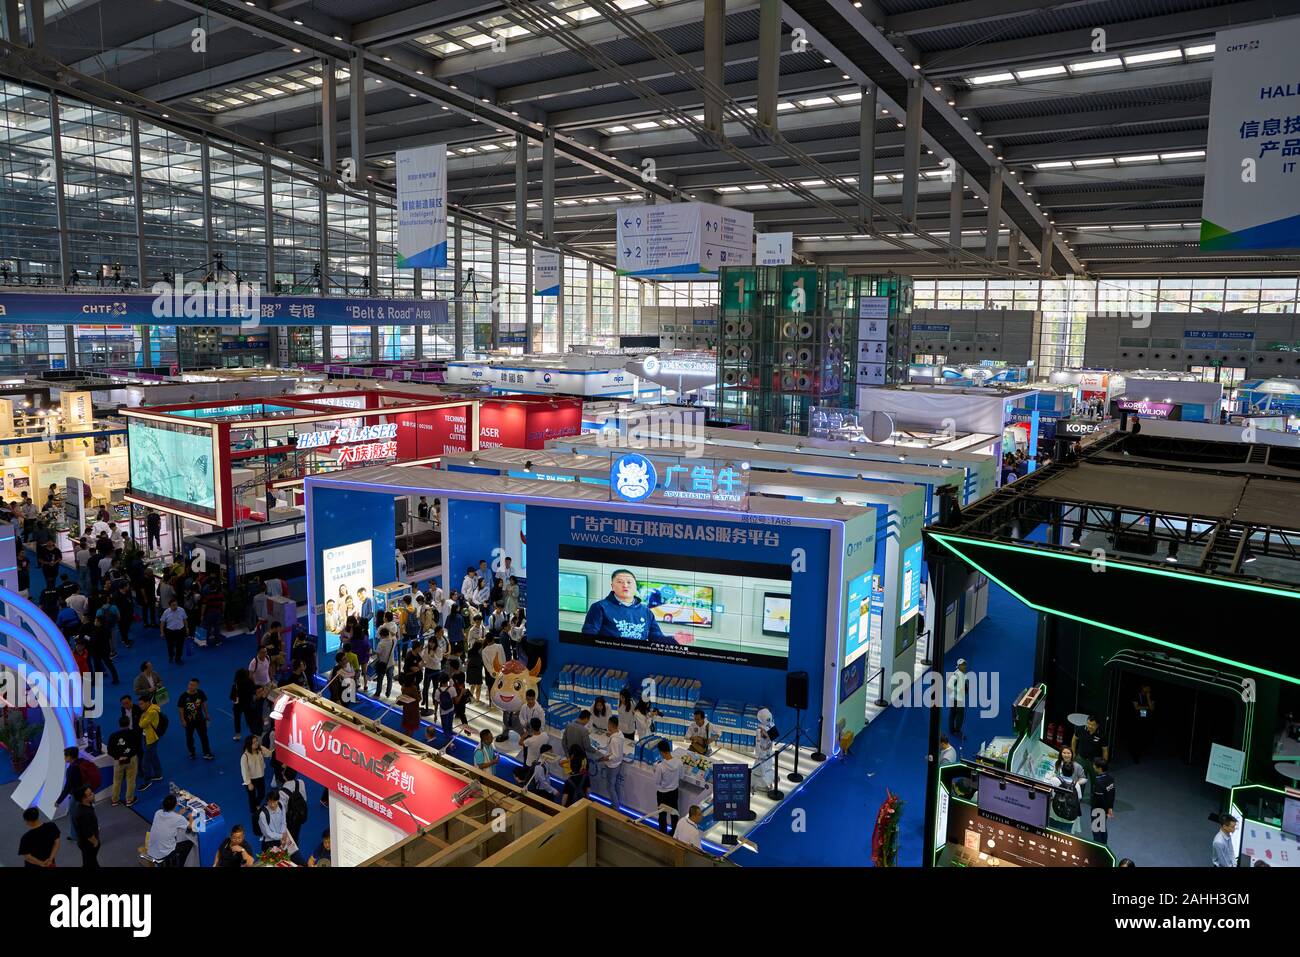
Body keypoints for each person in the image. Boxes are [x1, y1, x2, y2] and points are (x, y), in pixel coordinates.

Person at [581, 569, 686, 646]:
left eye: (629, 582)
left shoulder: (646, 611)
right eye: (620, 582)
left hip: (638, 657)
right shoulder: (599, 607)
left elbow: (655, 637)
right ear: (612, 586)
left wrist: (674, 639)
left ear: (635, 587)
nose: (625, 585)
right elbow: (588, 637)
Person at [147, 794, 195, 867]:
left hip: (151, 850)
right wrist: (191, 817)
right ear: (175, 805)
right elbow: (191, 827)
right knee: (189, 843)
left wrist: (179, 814)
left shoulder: (158, 812)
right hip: (163, 853)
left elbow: (171, 819)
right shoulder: (178, 818)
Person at [1049, 746, 1086, 835]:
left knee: (1052, 832)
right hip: (1069, 814)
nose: (1066, 755)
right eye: (1064, 753)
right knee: (1065, 835)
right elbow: (1079, 798)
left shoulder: (1054, 780)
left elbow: (1050, 793)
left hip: (1055, 810)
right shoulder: (1076, 785)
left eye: (1068, 753)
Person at [175, 677, 214, 760]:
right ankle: (191, 752)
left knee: (204, 736)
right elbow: (180, 709)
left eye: (192, 685)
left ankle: (206, 752)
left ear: (197, 686)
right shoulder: (183, 696)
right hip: (188, 721)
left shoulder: (200, 693)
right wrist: (182, 720)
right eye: (189, 684)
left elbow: (204, 704)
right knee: (189, 737)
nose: (190, 686)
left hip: (200, 719)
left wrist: (207, 714)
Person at [107, 715, 140, 807]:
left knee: (117, 780)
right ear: (129, 723)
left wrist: (118, 757)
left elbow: (110, 750)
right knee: (131, 780)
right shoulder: (134, 733)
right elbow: (137, 748)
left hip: (118, 761)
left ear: (119, 724)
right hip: (131, 760)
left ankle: (115, 800)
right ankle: (129, 800)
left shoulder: (113, 736)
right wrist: (128, 755)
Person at [654, 739, 683, 835]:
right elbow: (681, 776)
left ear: (661, 752)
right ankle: (675, 833)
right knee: (674, 814)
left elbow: (657, 781)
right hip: (674, 791)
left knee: (662, 815)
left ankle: (662, 834)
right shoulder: (679, 762)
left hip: (662, 794)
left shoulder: (660, 766)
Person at [70, 785, 100, 868]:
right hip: (88, 844)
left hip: (87, 842)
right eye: (90, 794)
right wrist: (95, 842)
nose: (93, 794)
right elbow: (88, 834)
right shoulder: (83, 814)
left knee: (89, 861)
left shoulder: (87, 804)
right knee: (91, 863)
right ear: (83, 799)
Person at [138, 693, 163, 787]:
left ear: (147, 703)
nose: (140, 706)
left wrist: (143, 716)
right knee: (153, 756)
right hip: (147, 736)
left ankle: (147, 781)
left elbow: (141, 724)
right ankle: (158, 774)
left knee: (145, 761)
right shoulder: (148, 710)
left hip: (151, 738)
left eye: (141, 704)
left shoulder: (151, 712)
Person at [602, 714, 627, 808]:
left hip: (612, 765)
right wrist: (611, 734)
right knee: (615, 785)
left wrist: (606, 758)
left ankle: (616, 807)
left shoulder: (614, 740)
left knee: (610, 787)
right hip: (617, 764)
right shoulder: (619, 734)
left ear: (610, 725)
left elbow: (615, 755)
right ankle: (616, 802)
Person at [1090, 758, 1116, 845]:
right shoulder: (1110, 778)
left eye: (1094, 765)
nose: (1093, 766)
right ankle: (1104, 845)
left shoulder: (1098, 782)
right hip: (1105, 809)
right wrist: (1110, 807)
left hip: (1097, 810)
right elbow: (1112, 793)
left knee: (1096, 832)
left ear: (1100, 768)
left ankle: (1099, 850)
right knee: (1102, 828)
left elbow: (1099, 799)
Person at [241, 734, 268, 814]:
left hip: (260, 777)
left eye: (256, 741)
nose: (256, 743)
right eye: (254, 742)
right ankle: (253, 811)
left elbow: (269, 753)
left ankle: (256, 804)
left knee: (262, 794)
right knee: (251, 796)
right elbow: (244, 771)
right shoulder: (245, 757)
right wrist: (249, 783)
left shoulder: (260, 750)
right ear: (249, 744)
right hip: (251, 779)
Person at [160, 596, 188, 665]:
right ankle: (171, 656)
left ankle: (178, 658)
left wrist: (187, 628)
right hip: (170, 632)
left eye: (176, 604)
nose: (175, 606)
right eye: (173, 605)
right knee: (170, 646)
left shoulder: (181, 610)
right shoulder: (166, 612)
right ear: (169, 606)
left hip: (180, 631)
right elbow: (162, 623)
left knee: (180, 645)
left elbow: (185, 620)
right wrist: (162, 632)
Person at [1131, 683, 1155, 764]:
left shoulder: (1151, 696)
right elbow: (1136, 707)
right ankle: (1136, 756)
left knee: (1144, 738)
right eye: (1147, 687)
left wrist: (1148, 697)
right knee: (1137, 738)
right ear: (1143, 687)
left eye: (1149, 687)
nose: (1149, 689)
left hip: (1147, 721)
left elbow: (1152, 708)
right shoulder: (1137, 695)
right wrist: (1146, 707)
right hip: (1137, 720)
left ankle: (1140, 752)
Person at [946, 658, 969, 739]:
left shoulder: (962, 674)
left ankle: (952, 730)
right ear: (958, 666)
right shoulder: (955, 675)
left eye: (965, 664)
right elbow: (949, 686)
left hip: (956, 698)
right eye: (962, 665)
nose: (964, 666)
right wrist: (960, 690)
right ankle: (956, 730)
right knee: (959, 715)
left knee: (953, 713)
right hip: (957, 699)